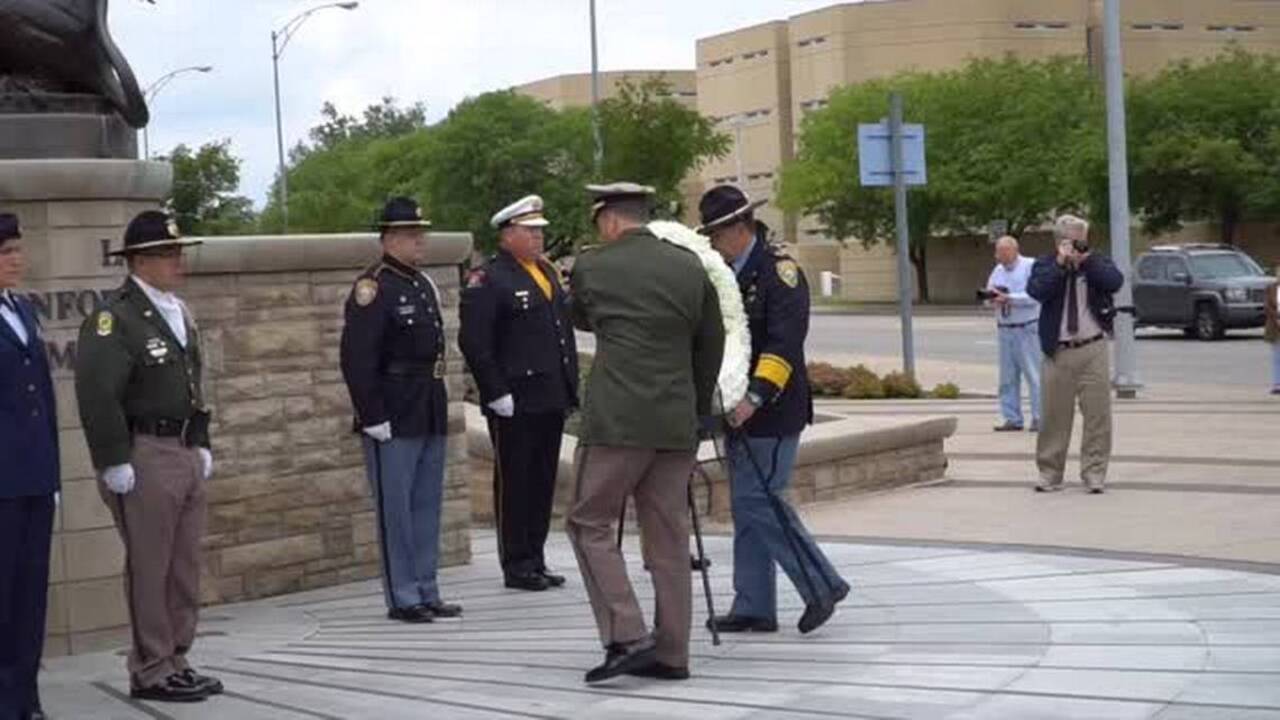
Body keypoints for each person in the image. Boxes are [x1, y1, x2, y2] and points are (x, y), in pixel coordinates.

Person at [566, 182, 725, 684]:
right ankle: (673, 654)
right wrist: (697, 407)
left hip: (618, 420)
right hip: (676, 422)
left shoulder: (594, 265)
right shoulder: (688, 264)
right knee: (669, 538)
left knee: (587, 522)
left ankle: (627, 634)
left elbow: (578, 314)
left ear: (609, 220)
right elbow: (711, 343)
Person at [74, 211, 222, 703]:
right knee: (150, 566)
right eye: (167, 253)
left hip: (181, 448)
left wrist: (201, 442)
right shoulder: (114, 317)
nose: (178, 260)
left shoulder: (177, 310)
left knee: (184, 566)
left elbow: (193, 383)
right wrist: (114, 459)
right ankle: (151, 667)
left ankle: (177, 657)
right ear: (139, 261)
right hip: (145, 452)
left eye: (179, 251)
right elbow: (98, 393)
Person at [695, 186, 849, 637]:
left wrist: (754, 399)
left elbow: (784, 344)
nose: (712, 242)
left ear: (739, 228)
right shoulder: (725, 274)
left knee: (760, 501)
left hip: (772, 410)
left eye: (716, 233)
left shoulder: (779, 272)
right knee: (748, 507)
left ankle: (822, 584)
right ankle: (754, 604)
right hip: (735, 410)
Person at [340, 197, 462, 624]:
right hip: (392, 410)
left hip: (426, 404)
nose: (420, 240)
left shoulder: (420, 282)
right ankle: (403, 595)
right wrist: (372, 415)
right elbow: (358, 358)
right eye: (412, 234)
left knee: (427, 504)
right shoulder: (373, 287)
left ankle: (427, 587)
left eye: (420, 232)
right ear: (389, 238)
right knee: (396, 509)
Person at [460, 195, 578, 592]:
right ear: (508, 235)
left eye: (540, 231)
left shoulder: (544, 271)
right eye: (530, 232)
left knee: (543, 480)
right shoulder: (489, 279)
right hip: (515, 398)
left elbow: (560, 335)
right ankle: (517, 563)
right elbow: (476, 341)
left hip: (549, 395)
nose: (538, 238)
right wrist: (494, 391)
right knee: (516, 482)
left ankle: (537, 557)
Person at [0, 213, 58, 720]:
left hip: (35, 478)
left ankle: (25, 698)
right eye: (5, 253)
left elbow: (45, 398)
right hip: (2, 484)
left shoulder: (22, 308)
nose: (16, 259)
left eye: (17, 250)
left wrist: (54, 475)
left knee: (31, 596)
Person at [1027, 214, 1124, 494]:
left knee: (1097, 416)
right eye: (1072, 241)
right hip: (1058, 351)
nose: (1078, 246)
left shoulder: (1095, 262)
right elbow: (1038, 291)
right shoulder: (1045, 264)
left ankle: (1094, 472)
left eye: (1082, 240)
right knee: (1054, 417)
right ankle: (1050, 472)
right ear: (1059, 241)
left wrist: (1088, 261)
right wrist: (1060, 263)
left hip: (1092, 346)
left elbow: (1114, 281)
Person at [986, 236, 1042, 432]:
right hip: (1005, 328)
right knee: (1007, 377)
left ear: (1013, 250)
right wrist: (991, 298)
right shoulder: (998, 271)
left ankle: (1039, 417)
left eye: (1002, 251)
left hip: (1027, 327)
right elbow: (990, 291)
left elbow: (1036, 295)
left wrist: (1010, 298)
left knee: (1034, 375)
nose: (998, 255)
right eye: (997, 251)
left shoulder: (1030, 266)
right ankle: (1012, 418)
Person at [1266, 270, 1279, 395]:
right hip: (1275, 327)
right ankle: (1277, 384)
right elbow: (1268, 307)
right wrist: (1277, 319)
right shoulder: (1271, 288)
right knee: (1277, 356)